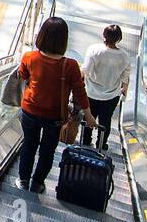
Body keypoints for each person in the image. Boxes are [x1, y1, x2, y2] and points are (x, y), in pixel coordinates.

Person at [16, 17, 96, 193]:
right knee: (47, 151)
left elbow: (22, 75)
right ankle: (37, 183)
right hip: (54, 117)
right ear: (63, 40)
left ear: (42, 36)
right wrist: (89, 115)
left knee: (29, 145)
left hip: (30, 110)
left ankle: (23, 181)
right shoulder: (71, 65)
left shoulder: (30, 57)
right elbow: (80, 93)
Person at [81, 24, 132, 150]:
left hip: (91, 92)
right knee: (106, 120)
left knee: (89, 116)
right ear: (119, 38)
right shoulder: (124, 56)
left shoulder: (94, 50)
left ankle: (86, 141)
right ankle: (101, 144)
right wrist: (124, 89)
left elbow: (85, 70)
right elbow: (125, 77)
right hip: (111, 95)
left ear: (104, 35)